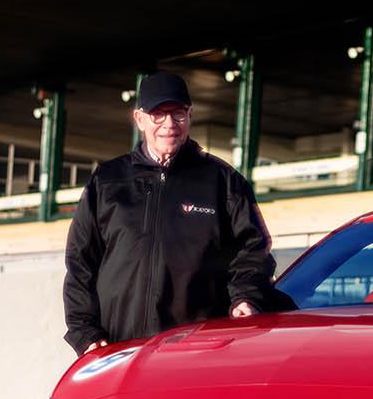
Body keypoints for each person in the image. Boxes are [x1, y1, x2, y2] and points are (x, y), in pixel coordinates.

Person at [62, 71, 276, 354]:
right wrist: (85, 333)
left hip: (196, 350)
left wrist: (246, 298)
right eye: (158, 115)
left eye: (178, 114)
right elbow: (81, 263)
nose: (169, 124)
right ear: (139, 119)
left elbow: (253, 250)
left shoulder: (223, 181)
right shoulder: (107, 181)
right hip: (118, 347)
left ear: (190, 115)